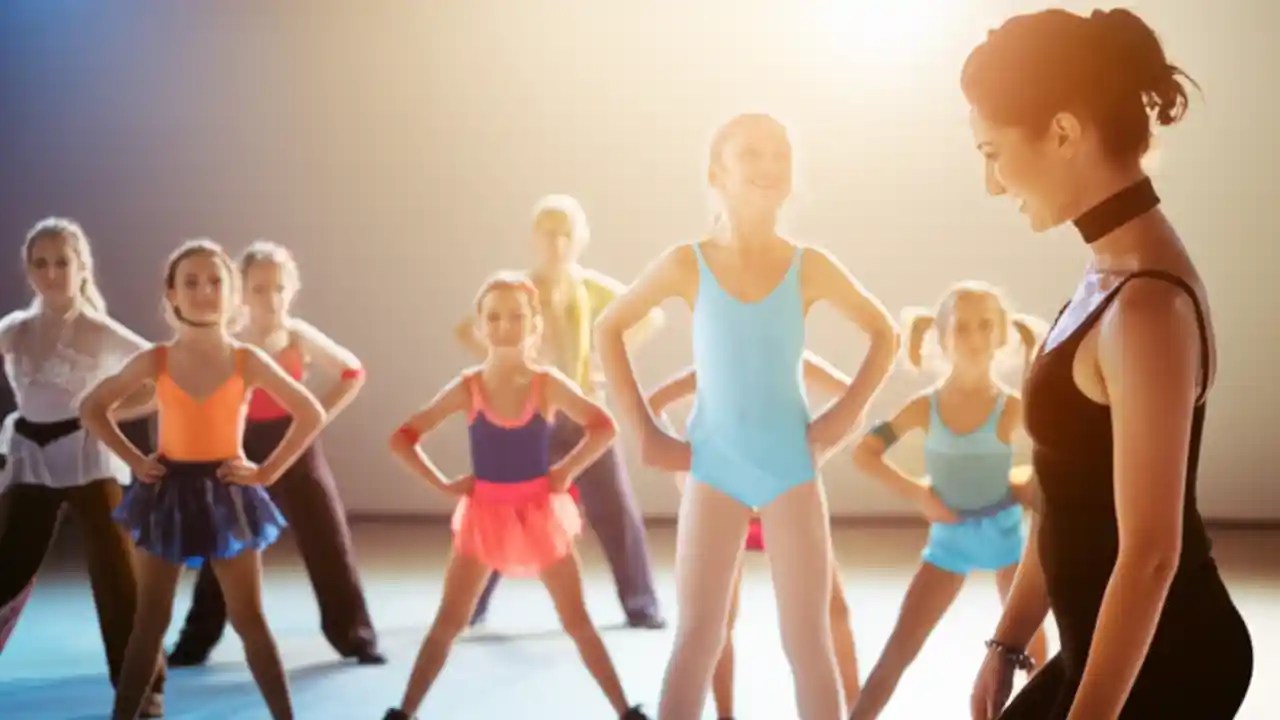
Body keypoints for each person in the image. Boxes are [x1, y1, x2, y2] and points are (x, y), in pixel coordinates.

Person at [962, 9, 1252, 717]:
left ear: (1063, 132)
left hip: (1173, 658)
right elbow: (1063, 492)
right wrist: (1008, 639)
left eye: (993, 152)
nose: (992, 184)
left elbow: (1152, 556)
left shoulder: (1149, 307)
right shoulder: (1107, 276)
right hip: (1098, 647)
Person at [595, 113, 898, 719]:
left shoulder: (809, 264)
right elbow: (609, 327)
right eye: (752, 154)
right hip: (714, 468)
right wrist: (646, 432)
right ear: (717, 173)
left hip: (791, 469)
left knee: (807, 642)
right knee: (697, 639)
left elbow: (884, 334)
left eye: (780, 154)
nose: (769, 165)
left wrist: (843, 417)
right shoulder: (687, 262)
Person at [384, 272, 649, 719]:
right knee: (448, 622)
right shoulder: (468, 387)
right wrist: (443, 483)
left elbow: (604, 426)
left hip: (541, 515)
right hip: (483, 517)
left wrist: (565, 471)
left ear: (535, 324)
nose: (505, 326)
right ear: (480, 325)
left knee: (577, 620)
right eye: (494, 317)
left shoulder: (546, 383)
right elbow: (403, 437)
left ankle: (626, 711)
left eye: (516, 317)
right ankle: (404, 712)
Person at [81, 239, 326, 719]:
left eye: (215, 282)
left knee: (249, 619)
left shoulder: (246, 360)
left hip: (228, 494)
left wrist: (266, 472)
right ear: (171, 294)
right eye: (190, 282)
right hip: (167, 494)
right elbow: (92, 407)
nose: (204, 291)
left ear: (233, 294)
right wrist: (135, 460)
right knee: (149, 623)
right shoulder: (157, 359)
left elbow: (310, 412)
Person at [167, 240, 383, 666]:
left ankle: (356, 637)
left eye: (279, 288)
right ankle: (195, 641)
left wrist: (315, 416)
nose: (271, 299)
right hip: (240, 449)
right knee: (225, 545)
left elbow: (352, 371)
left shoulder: (297, 335)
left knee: (328, 539)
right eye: (260, 289)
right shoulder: (229, 340)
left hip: (297, 447)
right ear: (241, 293)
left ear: (292, 289)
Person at [455, 194, 665, 629]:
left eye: (566, 233)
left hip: (584, 415)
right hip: (530, 418)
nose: (558, 243)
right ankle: (469, 604)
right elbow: (466, 329)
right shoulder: (518, 288)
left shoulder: (591, 287)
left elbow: (651, 316)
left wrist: (607, 361)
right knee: (503, 507)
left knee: (616, 510)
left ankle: (641, 605)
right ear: (534, 237)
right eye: (549, 233)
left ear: (581, 238)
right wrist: (509, 365)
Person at [847, 283, 1048, 719]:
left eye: (985, 326)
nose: (974, 338)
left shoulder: (1013, 408)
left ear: (1002, 335)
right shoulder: (923, 407)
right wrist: (919, 494)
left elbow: (1056, 461)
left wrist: (1021, 484)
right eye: (962, 328)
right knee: (897, 652)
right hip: (948, 543)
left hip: (1007, 542)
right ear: (940, 338)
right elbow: (865, 453)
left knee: (1036, 662)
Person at [0, 218, 166, 716]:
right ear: (29, 269)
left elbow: (159, 374)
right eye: (41, 263)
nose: (51, 273)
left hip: (86, 455)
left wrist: (107, 413)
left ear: (82, 267)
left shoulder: (97, 330)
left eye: (62, 262)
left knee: (116, 574)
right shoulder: (15, 328)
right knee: (8, 562)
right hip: (31, 456)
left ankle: (142, 685)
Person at [647, 350, 863, 719]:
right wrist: (686, 472)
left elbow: (853, 402)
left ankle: (859, 707)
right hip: (726, 500)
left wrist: (813, 457)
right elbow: (653, 406)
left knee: (834, 609)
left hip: (789, 496)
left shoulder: (790, 355)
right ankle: (726, 713)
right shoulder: (718, 359)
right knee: (718, 620)